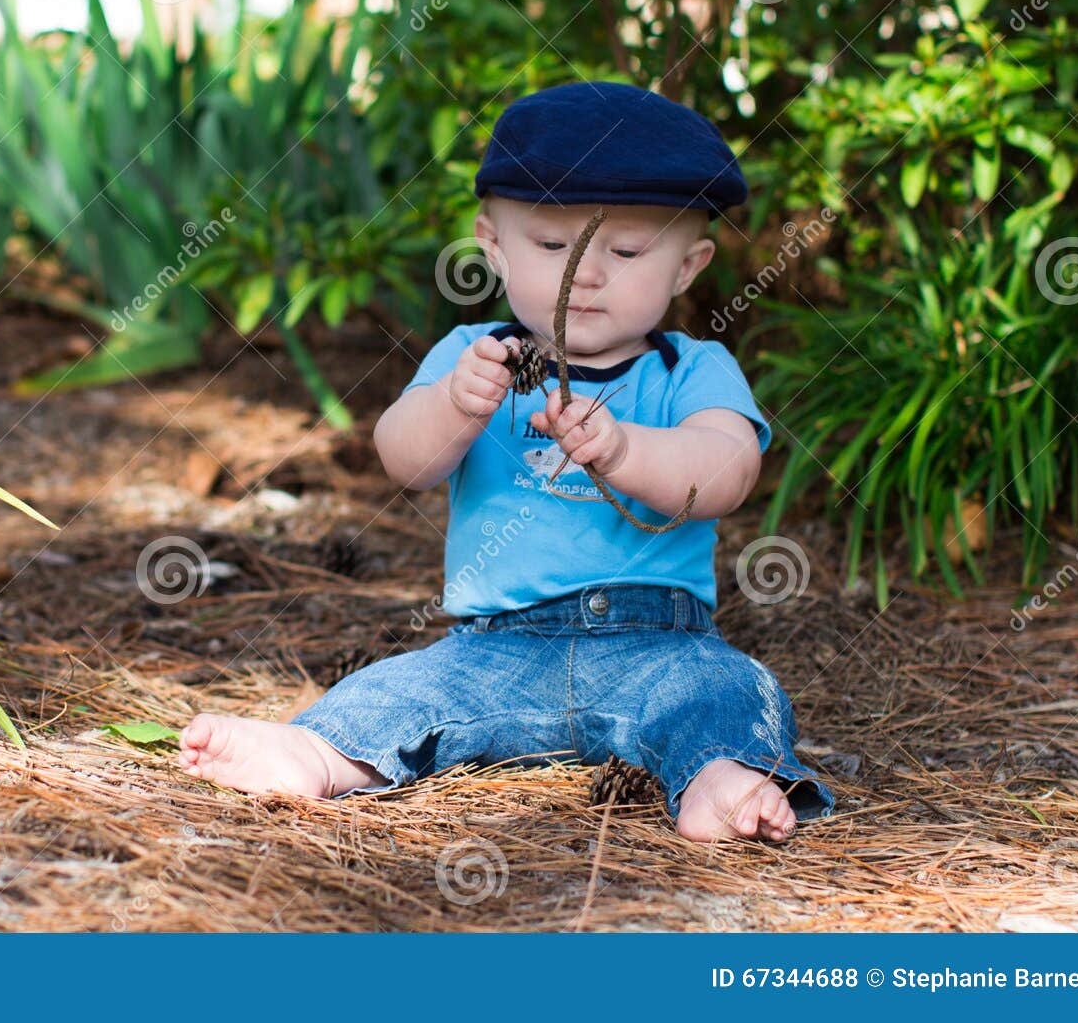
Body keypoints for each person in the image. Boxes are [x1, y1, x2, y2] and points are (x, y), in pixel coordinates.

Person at [177, 81, 836, 843]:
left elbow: (726, 471)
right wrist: (455, 407)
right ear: (494, 246)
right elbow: (403, 461)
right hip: (494, 647)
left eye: (624, 252)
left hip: (658, 645)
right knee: (405, 688)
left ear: (688, 268)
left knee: (729, 687)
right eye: (553, 246)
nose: (584, 273)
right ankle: (316, 751)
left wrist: (626, 448)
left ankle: (718, 777)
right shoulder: (473, 357)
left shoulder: (692, 369)